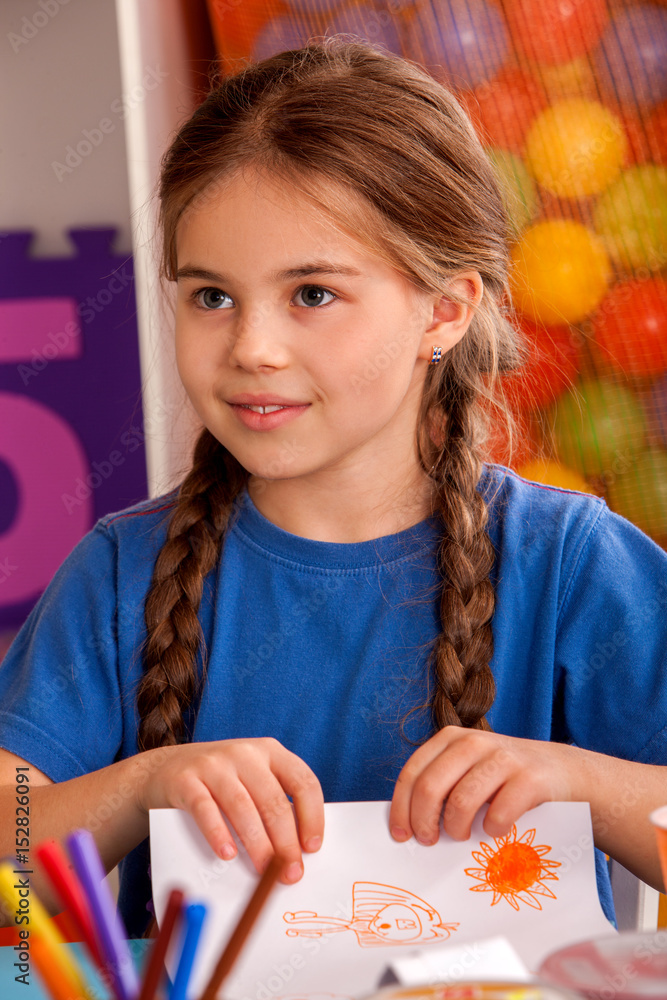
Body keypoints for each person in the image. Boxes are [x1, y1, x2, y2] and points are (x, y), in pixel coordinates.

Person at [1, 37, 666, 939]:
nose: (252, 348)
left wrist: (581, 783)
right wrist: (140, 787)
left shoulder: (572, 561)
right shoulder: (122, 571)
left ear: (444, 311)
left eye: (311, 293)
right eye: (211, 296)